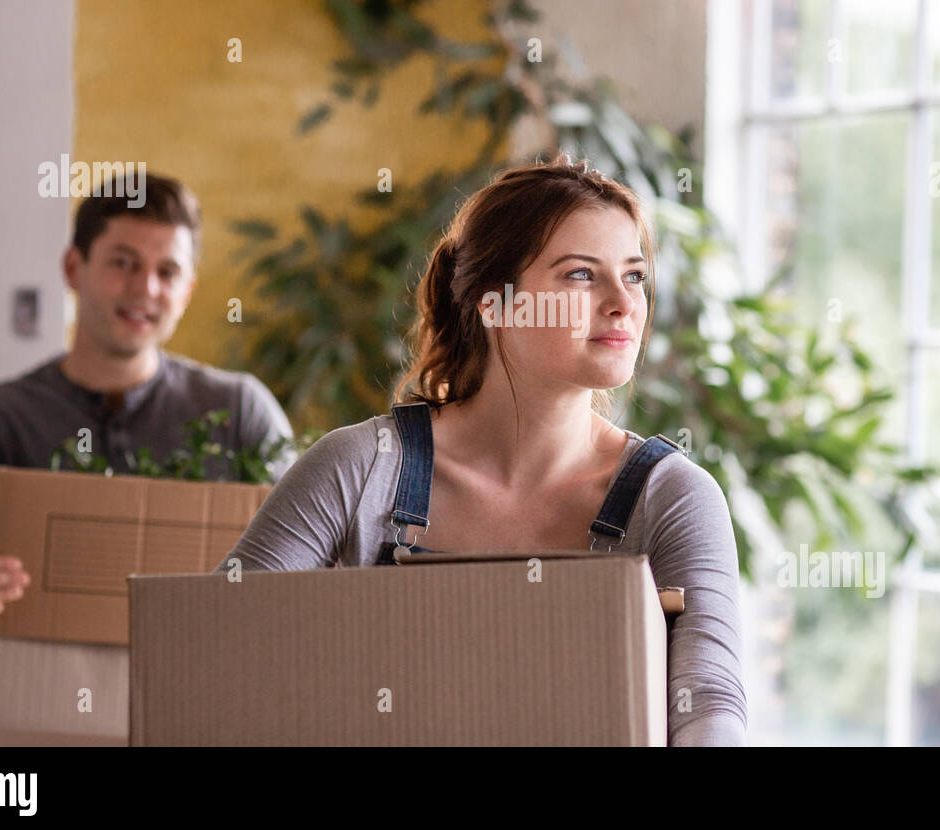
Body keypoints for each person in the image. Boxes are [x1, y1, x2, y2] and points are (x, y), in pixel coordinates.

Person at [216, 156, 747, 746]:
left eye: (635, 276)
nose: (623, 303)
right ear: (493, 304)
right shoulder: (360, 467)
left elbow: (708, 704)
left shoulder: (672, 496)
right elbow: (218, 650)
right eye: (579, 275)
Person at [0, 173, 297, 629]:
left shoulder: (240, 411)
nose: (145, 290)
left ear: (187, 291)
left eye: (167, 272)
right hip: (40, 688)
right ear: (73, 268)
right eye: (124, 262)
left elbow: (298, 563)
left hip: (205, 684)